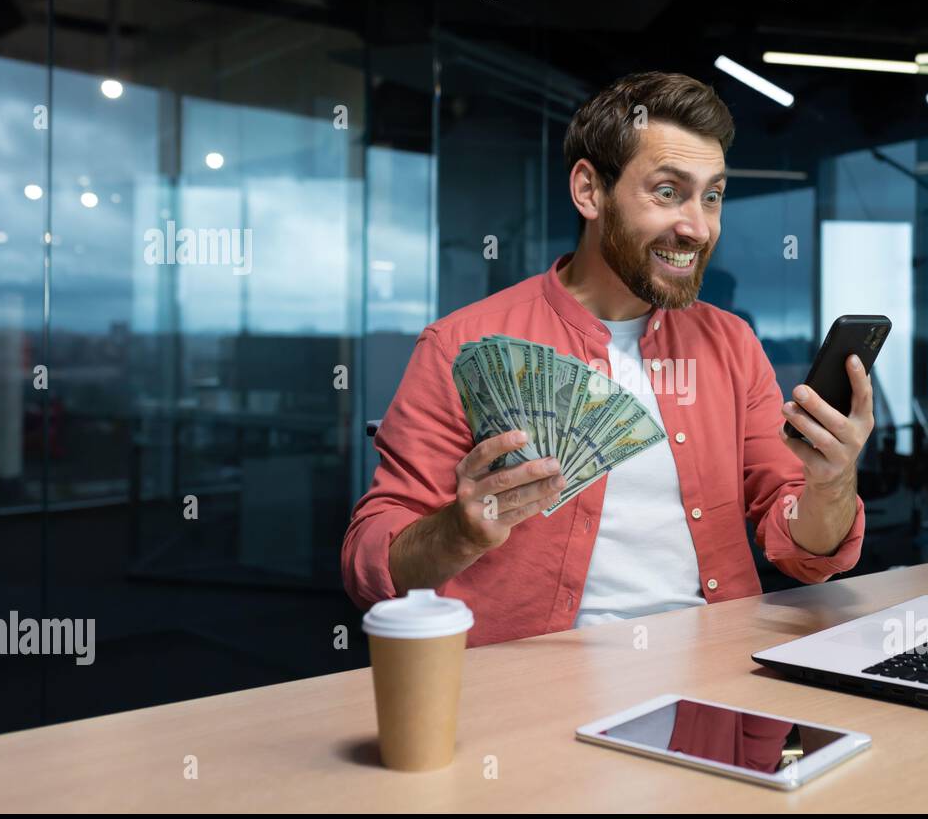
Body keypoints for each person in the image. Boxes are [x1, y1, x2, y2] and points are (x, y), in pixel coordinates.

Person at [341, 71, 873, 646]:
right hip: (535, 696)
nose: (697, 227)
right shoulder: (458, 344)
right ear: (589, 191)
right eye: (668, 192)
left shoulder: (733, 344)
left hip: (717, 681)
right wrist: (460, 531)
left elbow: (803, 553)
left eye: (712, 196)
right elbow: (370, 565)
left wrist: (830, 486)